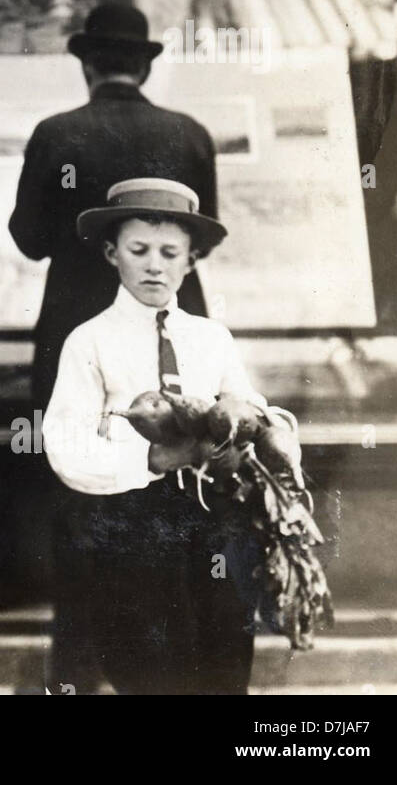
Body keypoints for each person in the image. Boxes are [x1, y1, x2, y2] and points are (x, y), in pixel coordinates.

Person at [42, 178, 281, 694]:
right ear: (112, 253)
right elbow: (67, 445)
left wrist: (246, 427)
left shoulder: (211, 338)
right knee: (147, 665)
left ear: (190, 261)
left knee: (223, 654)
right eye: (139, 250)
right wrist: (155, 455)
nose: (155, 264)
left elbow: (248, 404)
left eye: (170, 252)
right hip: (132, 526)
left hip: (217, 521)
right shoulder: (90, 342)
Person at [8, 2, 219, 411]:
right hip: (171, 319)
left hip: (76, 313)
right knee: (178, 445)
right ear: (145, 68)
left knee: (79, 446)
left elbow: (29, 239)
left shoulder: (55, 133)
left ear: (88, 65)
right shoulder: (191, 135)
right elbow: (205, 237)